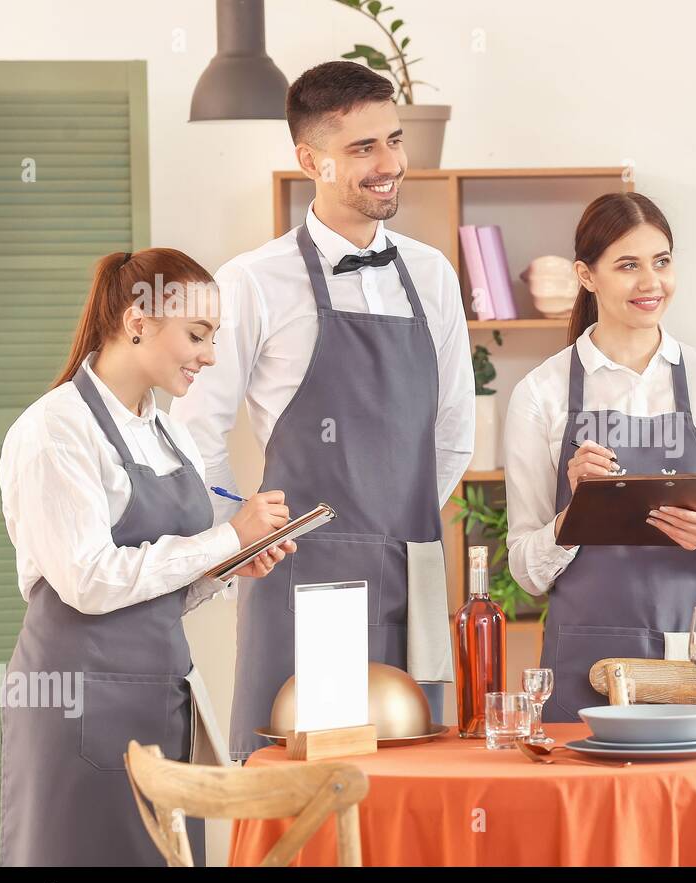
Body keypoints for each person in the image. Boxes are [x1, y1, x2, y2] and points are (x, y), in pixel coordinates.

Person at [170, 61, 475, 759]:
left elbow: (455, 429)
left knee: (415, 773)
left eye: (394, 140)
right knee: (297, 778)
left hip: (411, 567)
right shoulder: (253, 281)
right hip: (299, 573)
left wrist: (393, 520)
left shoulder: (432, 274)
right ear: (311, 160)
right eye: (363, 148)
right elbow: (195, 433)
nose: (389, 164)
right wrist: (242, 538)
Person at [0, 248, 293, 866]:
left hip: (161, 698)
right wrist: (224, 539)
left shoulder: (169, 432)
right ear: (138, 322)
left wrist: (226, 566)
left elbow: (157, 587)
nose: (210, 356)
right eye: (197, 335)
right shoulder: (55, 429)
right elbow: (88, 580)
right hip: (78, 702)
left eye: (214, 338)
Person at [505, 193, 696, 724]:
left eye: (661, 262)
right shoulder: (540, 393)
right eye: (628, 265)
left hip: (695, 656)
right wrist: (574, 515)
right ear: (586, 275)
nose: (651, 283)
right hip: (585, 658)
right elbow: (525, 570)